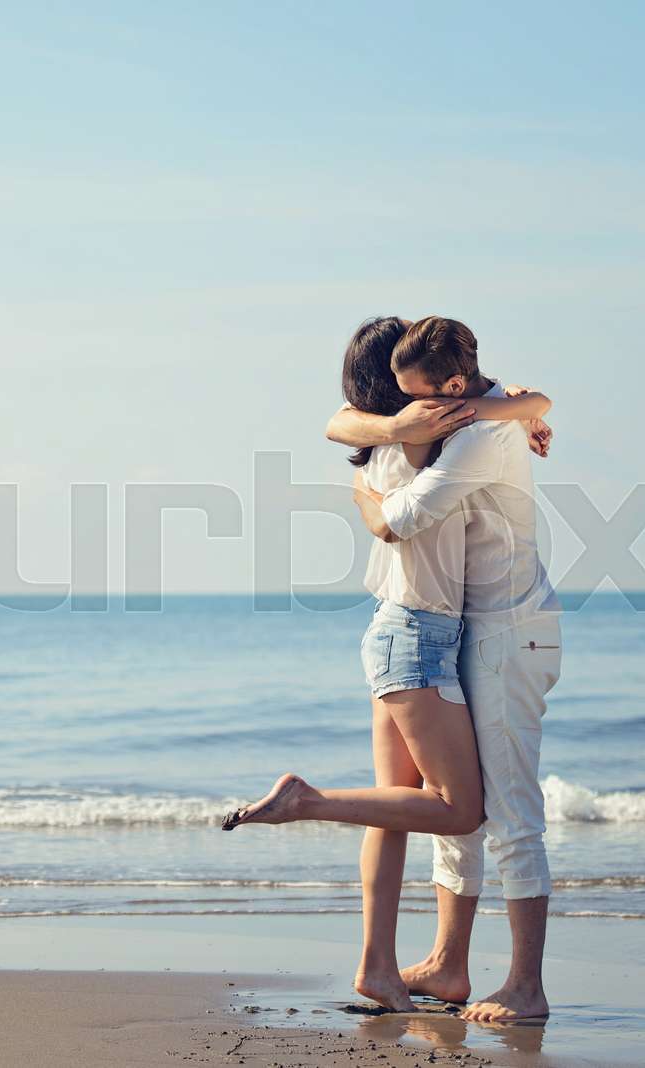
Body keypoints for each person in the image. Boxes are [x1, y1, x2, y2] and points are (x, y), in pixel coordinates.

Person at [222, 316, 553, 1015]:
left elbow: (352, 430)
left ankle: (389, 968)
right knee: (462, 811)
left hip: (410, 631)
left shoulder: (426, 443)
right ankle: (307, 803)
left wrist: (520, 408)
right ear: (401, 396)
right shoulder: (430, 444)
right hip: (424, 637)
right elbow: (391, 507)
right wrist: (516, 408)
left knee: (401, 809)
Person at [340, 316, 564, 1023]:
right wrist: (524, 405)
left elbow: (399, 518)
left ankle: (526, 986)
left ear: (452, 390)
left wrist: (363, 497)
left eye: (426, 400)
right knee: (455, 810)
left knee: (509, 809)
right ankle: (447, 962)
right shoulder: (453, 426)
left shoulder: (476, 436)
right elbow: (343, 423)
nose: (418, 412)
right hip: (468, 626)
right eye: (406, 402)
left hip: (506, 632)